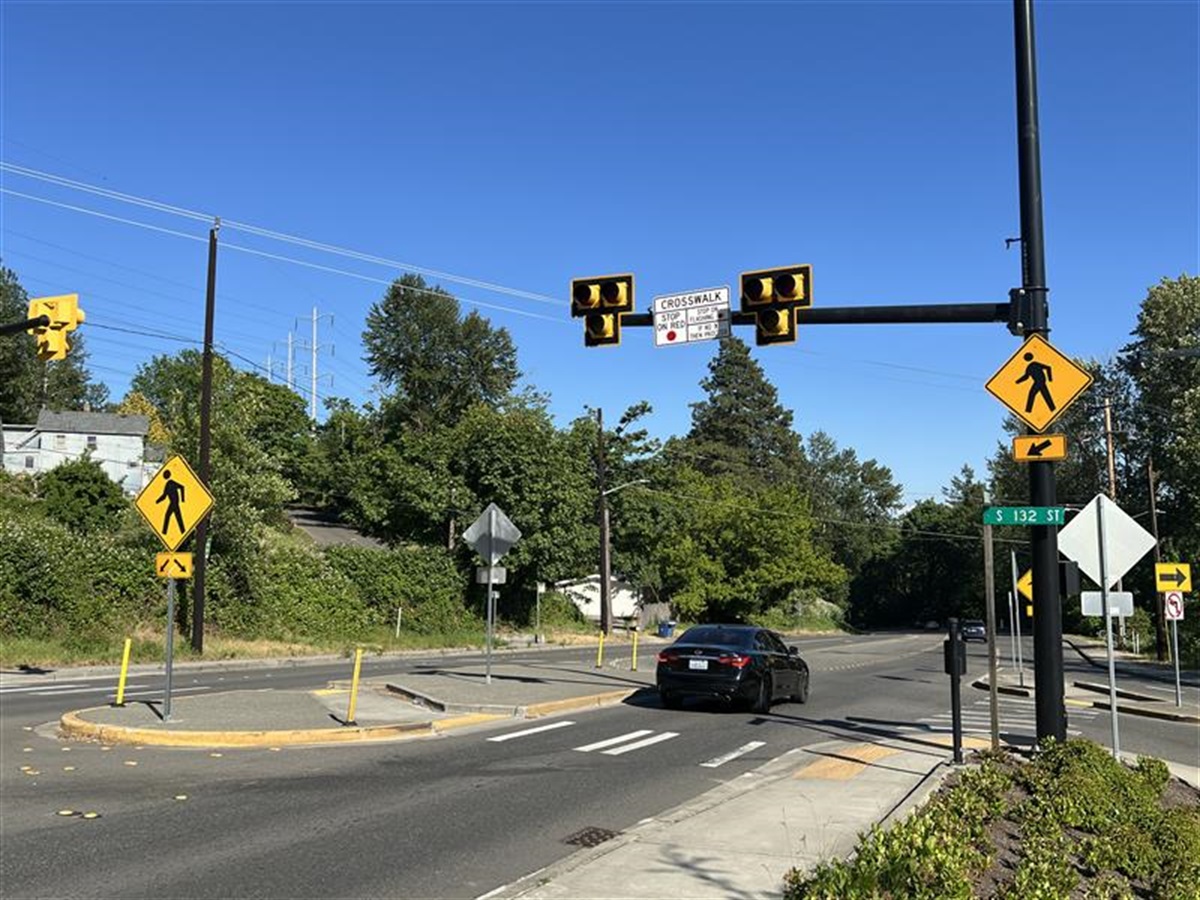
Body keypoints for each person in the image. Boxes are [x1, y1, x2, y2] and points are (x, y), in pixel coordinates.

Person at [156, 470, 186, 537]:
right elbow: (164, 496)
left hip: (174, 503)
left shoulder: (172, 482)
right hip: (172, 503)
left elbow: (182, 487)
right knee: (177, 518)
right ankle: (182, 531)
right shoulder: (167, 484)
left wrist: (182, 499)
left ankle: (164, 532)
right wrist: (157, 501)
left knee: (168, 516)